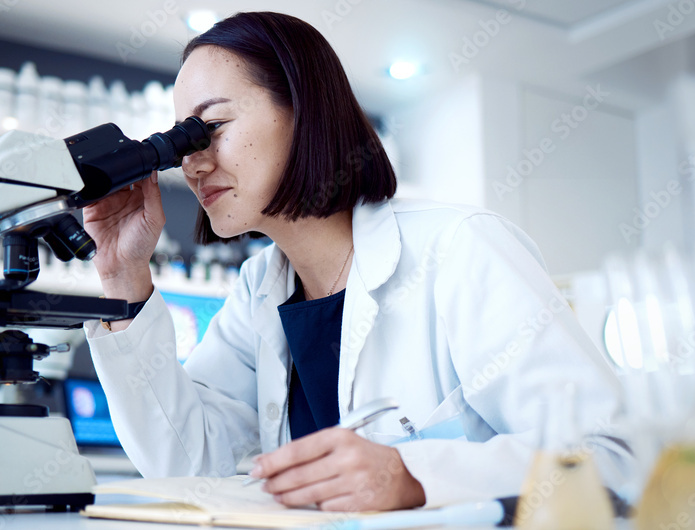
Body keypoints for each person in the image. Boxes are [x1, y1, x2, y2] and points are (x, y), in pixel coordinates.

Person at [82, 11, 630, 512]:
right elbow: (190, 467)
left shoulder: (461, 248)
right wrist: (121, 273)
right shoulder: (259, 290)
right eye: (182, 145)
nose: (194, 163)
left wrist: (412, 476)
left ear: (303, 111)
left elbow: (612, 456)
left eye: (211, 127)